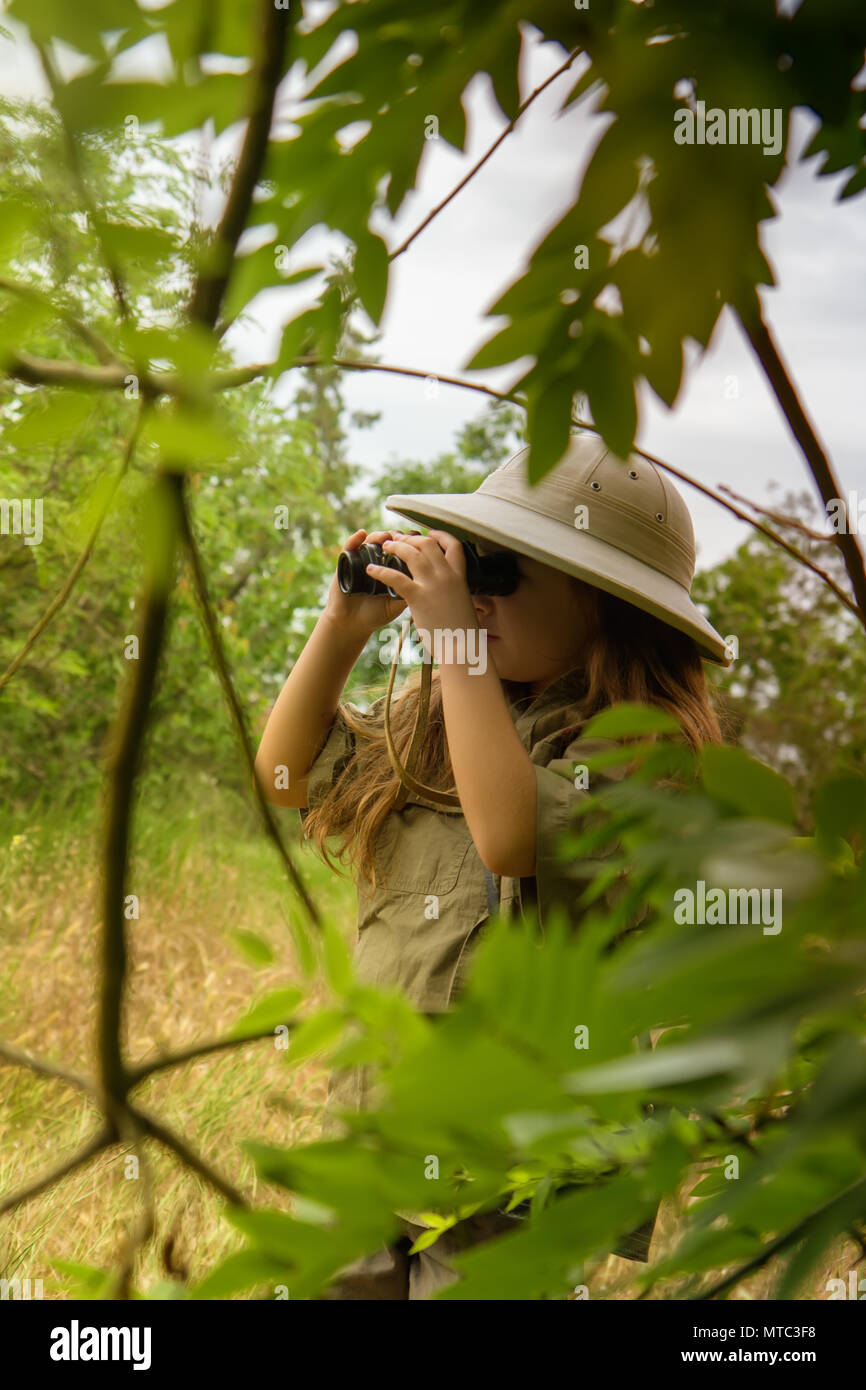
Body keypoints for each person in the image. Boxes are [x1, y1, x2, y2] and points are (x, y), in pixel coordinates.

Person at [254, 430, 732, 1298]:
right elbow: (285, 777)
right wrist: (341, 627)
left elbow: (511, 838)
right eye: (475, 570)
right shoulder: (441, 718)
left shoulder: (640, 748)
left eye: (504, 577)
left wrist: (456, 651)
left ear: (607, 602)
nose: (476, 602)